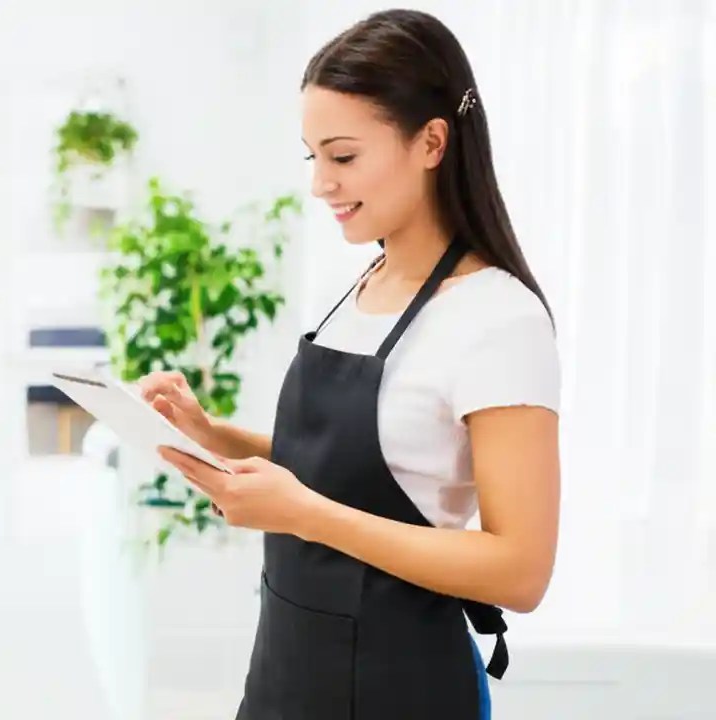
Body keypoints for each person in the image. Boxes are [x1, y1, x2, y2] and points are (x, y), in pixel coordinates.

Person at [142, 9, 561, 720]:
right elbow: (363, 470)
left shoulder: (499, 320)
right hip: (288, 668)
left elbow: (520, 571)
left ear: (431, 142)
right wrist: (215, 436)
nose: (320, 185)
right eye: (313, 158)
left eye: (342, 157)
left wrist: (304, 515)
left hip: (401, 685)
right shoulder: (359, 287)